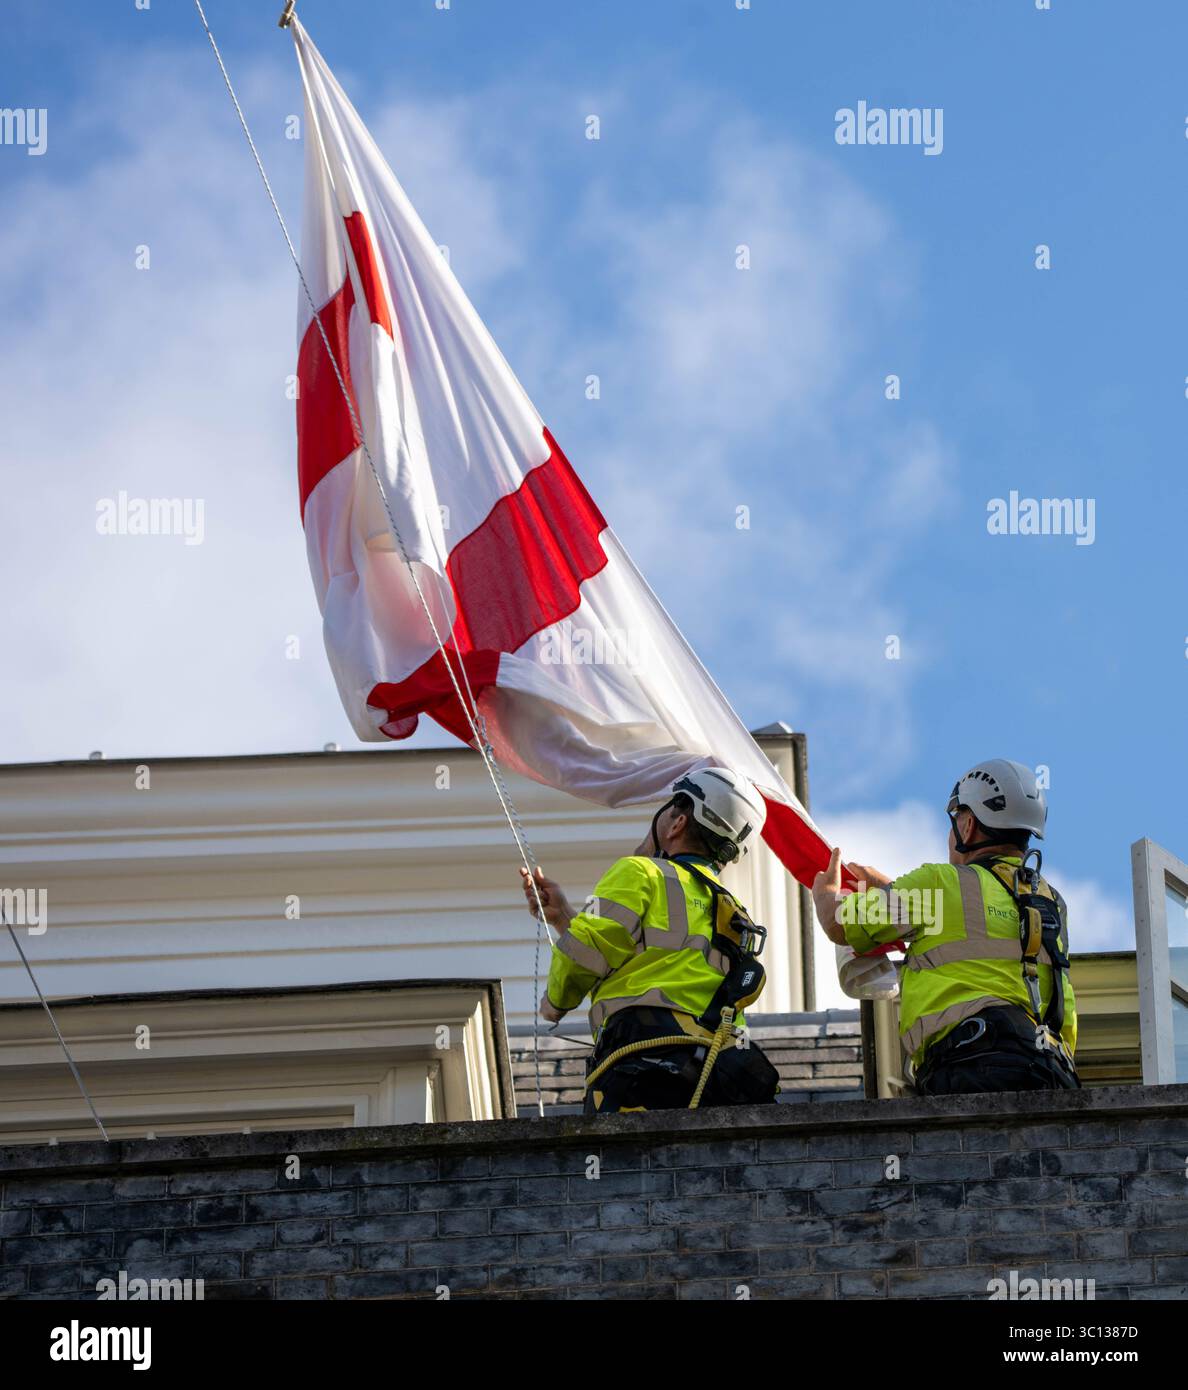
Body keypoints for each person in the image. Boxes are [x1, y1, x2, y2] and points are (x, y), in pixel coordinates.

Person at [521, 767, 780, 1114]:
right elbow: (650, 954)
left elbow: (585, 954)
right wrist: (564, 916)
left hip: (645, 1070)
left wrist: (553, 1003)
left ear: (677, 823)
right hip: (719, 1076)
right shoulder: (734, 912)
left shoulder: (641, 871)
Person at [811, 759, 1079, 1095]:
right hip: (1053, 1075)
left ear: (968, 825)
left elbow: (840, 923)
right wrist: (893, 891)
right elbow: (975, 925)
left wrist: (825, 894)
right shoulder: (1051, 900)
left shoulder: (940, 884)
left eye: (955, 821)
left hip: (973, 1067)